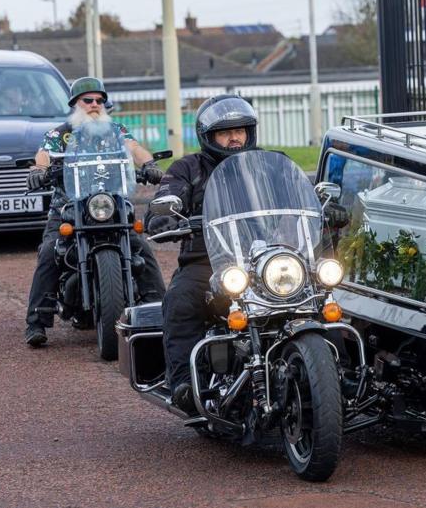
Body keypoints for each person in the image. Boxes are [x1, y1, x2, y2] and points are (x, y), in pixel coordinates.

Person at [23, 77, 166, 347]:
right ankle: (36, 322)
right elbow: (44, 154)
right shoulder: (60, 134)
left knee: (141, 248)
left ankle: (160, 311)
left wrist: (149, 165)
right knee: (50, 250)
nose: (94, 105)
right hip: (68, 207)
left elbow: (134, 148)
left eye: (99, 100)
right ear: (75, 104)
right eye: (87, 100)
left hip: (111, 204)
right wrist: (39, 170)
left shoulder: (116, 131)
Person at [146, 95, 260, 413]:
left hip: (266, 261)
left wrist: (326, 208)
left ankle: (338, 376)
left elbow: (299, 193)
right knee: (180, 299)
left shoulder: (267, 164)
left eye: (240, 130)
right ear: (208, 136)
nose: (234, 138)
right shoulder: (187, 168)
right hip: (207, 262)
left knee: (319, 295)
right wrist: (165, 217)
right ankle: (184, 383)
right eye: (225, 132)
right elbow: (166, 196)